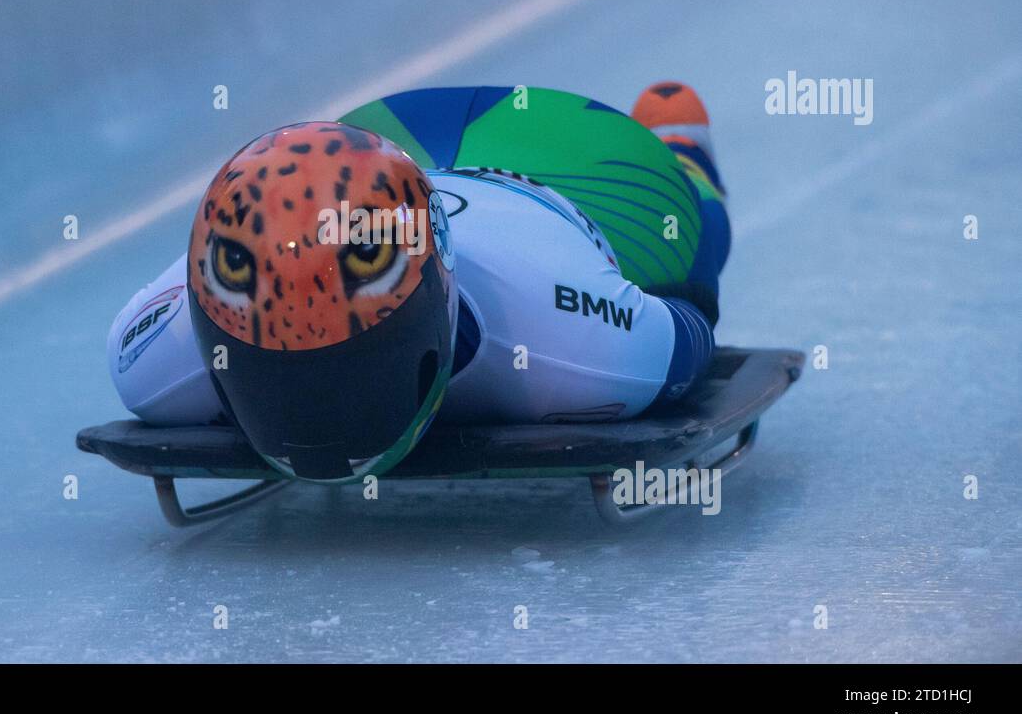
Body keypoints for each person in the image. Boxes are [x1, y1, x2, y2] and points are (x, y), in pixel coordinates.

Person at [107, 83, 731, 483]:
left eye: (351, 370)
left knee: (690, 237)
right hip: (381, 147)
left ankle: (681, 150)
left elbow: (689, 327)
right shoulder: (164, 345)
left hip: (580, 167)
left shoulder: (584, 343)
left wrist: (691, 296)